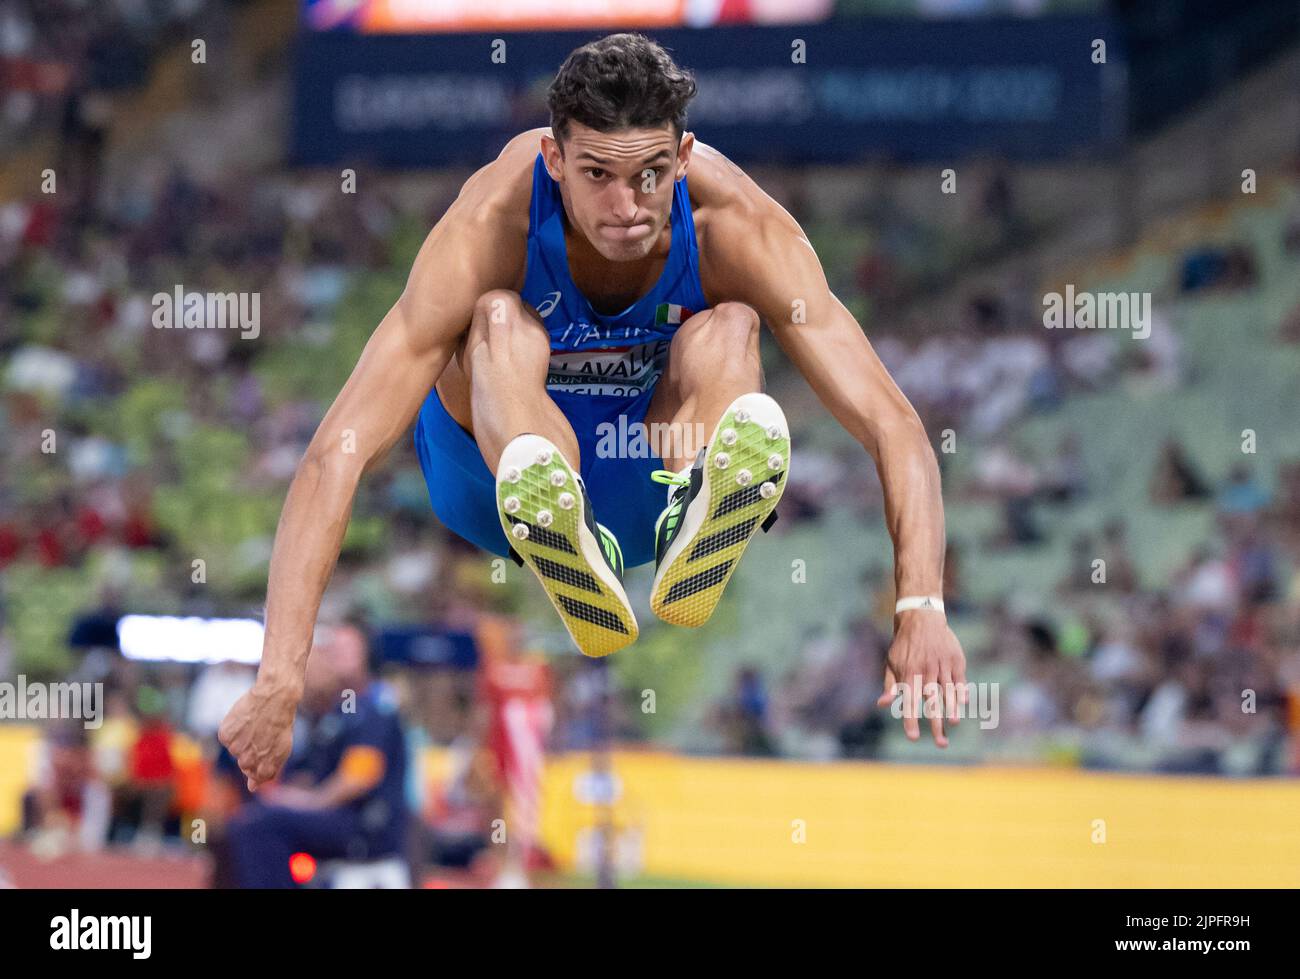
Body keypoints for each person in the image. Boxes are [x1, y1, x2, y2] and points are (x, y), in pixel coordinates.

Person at [220, 33, 966, 792]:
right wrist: (280, 674)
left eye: (649, 175)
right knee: (496, 320)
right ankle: (554, 507)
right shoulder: (491, 225)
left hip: (647, 470)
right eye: (598, 175)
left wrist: (921, 604)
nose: (626, 207)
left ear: (683, 156)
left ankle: (693, 505)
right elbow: (337, 449)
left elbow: (892, 422)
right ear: (552, 158)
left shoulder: (739, 227)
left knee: (731, 325)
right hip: (491, 477)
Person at [225, 623, 408, 887]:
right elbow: (307, 773)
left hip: (365, 828)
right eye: (333, 649)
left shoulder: (375, 708)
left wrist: (310, 801)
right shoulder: (334, 713)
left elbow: (358, 779)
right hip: (336, 818)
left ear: (367, 655)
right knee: (247, 819)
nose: (337, 656)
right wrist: (285, 794)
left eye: (347, 649)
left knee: (261, 828)